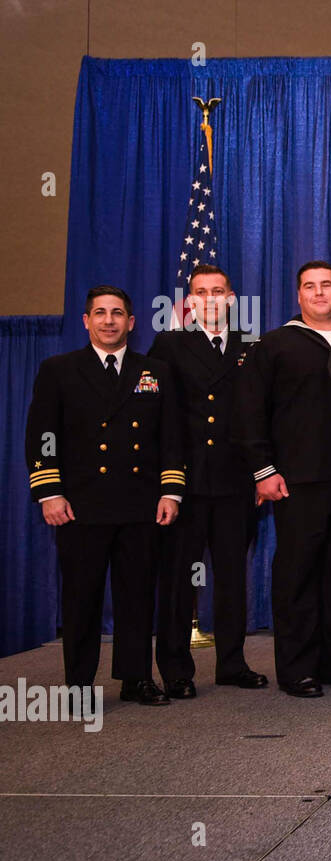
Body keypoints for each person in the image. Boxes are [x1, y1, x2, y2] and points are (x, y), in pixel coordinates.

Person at [26, 285, 185, 704]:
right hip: (80, 506)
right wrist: (49, 493)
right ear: (86, 321)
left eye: (117, 313)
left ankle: (136, 678)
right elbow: (43, 437)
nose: (109, 320)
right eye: (100, 313)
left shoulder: (154, 371)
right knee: (82, 599)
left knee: (136, 596)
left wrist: (171, 491)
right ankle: (79, 685)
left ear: (131, 322)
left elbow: (171, 437)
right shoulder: (58, 369)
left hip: (140, 504)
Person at [233, 261, 331, 698]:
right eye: (309, 286)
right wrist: (264, 470)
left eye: (327, 284)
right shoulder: (273, 345)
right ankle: (297, 668)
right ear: (299, 296)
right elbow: (250, 411)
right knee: (298, 574)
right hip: (297, 480)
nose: (319, 292)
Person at [149, 264, 266, 698]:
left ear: (232, 299)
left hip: (236, 482)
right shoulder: (169, 345)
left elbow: (261, 414)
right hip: (187, 483)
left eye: (219, 291)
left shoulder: (252, 344)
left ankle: (232, 664)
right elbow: (156, 417)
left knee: (233, 577)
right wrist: (167, 483)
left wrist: (261, 472)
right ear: (190, 302)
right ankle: (177, 670)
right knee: (179, 579)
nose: (211, 299)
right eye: (201, 293)